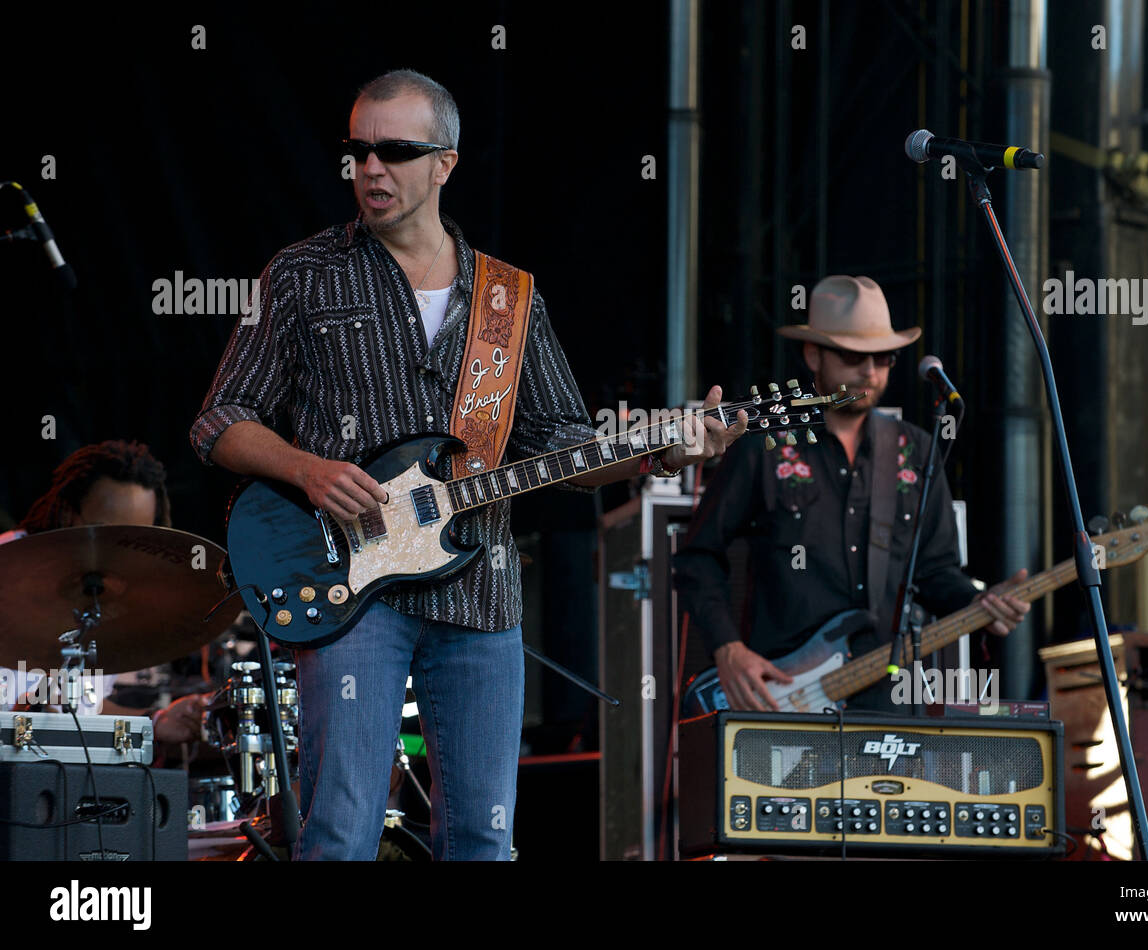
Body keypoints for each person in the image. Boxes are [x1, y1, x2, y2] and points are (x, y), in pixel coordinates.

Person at [190, 69, 746, 860]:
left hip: (481, 599)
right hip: (350, 590)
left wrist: (657, 446)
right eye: (357, 151)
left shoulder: (509, 299)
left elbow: (560, 451)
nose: (370, 168)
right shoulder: (304, 274)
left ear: (444, 163)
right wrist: (309, 469)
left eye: (395, 151)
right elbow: (219, 420)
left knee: (484, 837)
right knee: (341, 829)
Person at [673, 275, 1030, 712]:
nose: (870, 371)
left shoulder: (915, 449)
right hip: (781, 694)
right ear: (813, 355)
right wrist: (727, 647)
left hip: (887, 697)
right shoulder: (766, 446)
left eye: (884, 358)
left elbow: (935, 571)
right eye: (854, 356)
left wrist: (979, 603)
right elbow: (697, 557)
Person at [0, 440, 208, 743]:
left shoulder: (107, 593)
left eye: (134, 539)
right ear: (68, 513)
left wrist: (154, 721)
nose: (119, 552)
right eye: (105, 532)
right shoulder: (8, 565)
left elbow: (84, 708)